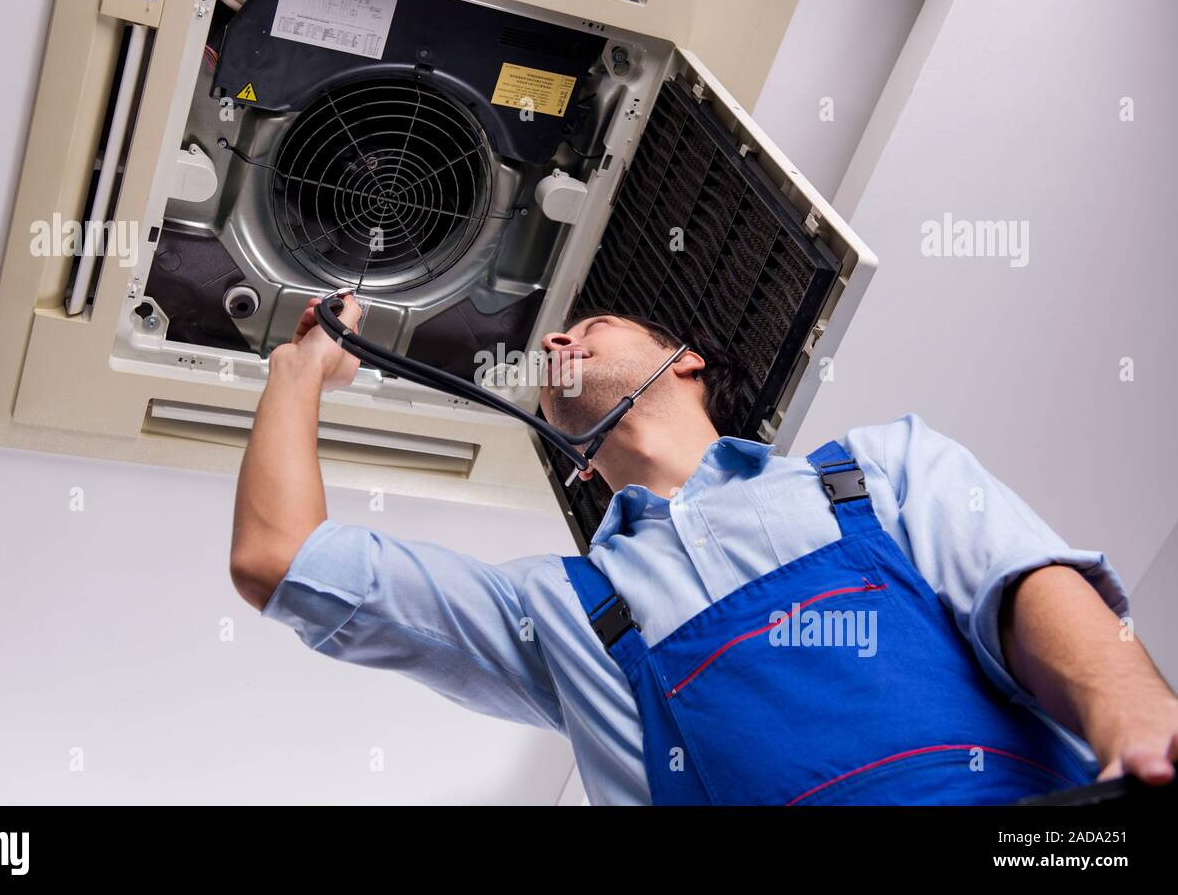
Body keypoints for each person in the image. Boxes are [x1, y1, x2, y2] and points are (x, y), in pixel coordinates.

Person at [229, 293, 1178, 804]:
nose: (559, 336)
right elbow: (281, 558)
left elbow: (1028, 588)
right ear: (577, 468)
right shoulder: (562, 609)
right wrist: (299, 369)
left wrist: (1136, 721)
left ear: (685, 360)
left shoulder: (877, 469)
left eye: (589, 324)